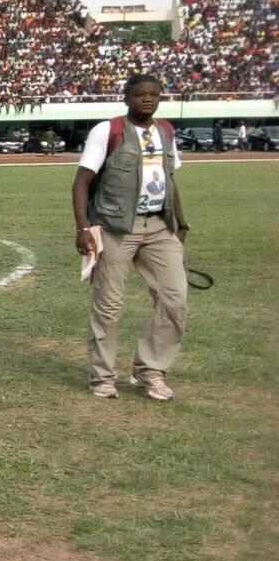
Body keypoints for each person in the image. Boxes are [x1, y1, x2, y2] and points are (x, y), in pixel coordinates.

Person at [72, 73, 189, 401]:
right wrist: (82, 228)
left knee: (174, 299)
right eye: (140, 94)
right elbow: (82, 181)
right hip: (114, 227)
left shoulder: (166, 131)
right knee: (108, 305)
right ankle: (102, 377)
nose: (148, 99)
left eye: (154, 94)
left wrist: (181, 223)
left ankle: (150, 370)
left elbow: (169, 178)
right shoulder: (108, 130)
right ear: (127, 98)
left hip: (160, 226)